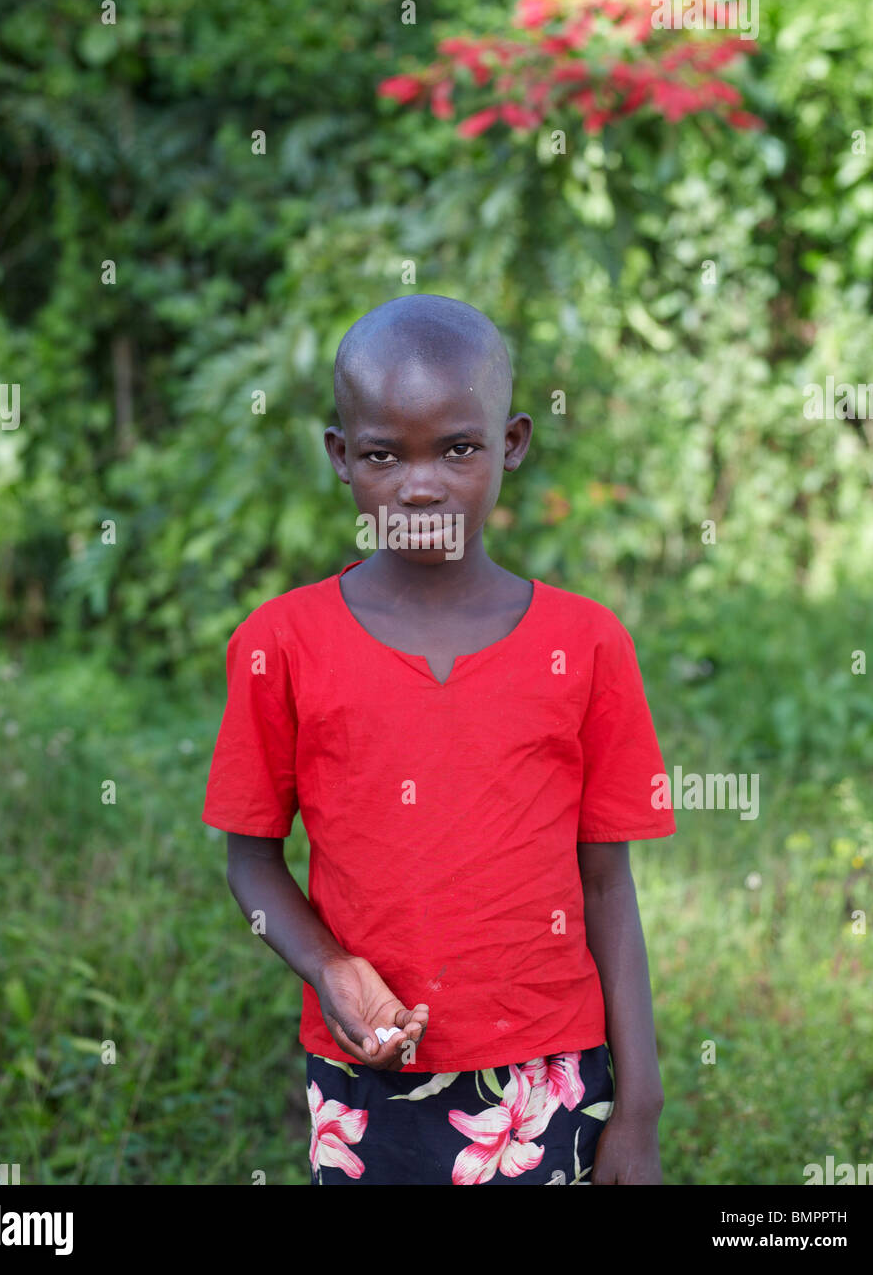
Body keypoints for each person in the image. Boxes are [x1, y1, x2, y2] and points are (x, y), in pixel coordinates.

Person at [202, 293, 676, 1185]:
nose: (420, 484)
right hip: (363, 1069)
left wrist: (639, 1109)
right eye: (384, 454)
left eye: (457, 448)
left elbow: (609, 885)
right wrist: (331, 970)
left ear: (512, 444)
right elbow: (250, 861)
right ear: (342, 457)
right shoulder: (281, 645)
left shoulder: (587, 644)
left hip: (554, 1073)